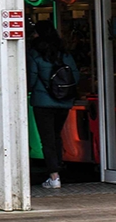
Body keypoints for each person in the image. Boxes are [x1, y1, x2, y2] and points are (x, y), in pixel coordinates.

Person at [29, 25, 79, 190]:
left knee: (47, 139)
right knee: (56, 136)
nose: (33, 35)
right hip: (63, 102)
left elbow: (31, 79)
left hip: (42, 103)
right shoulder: (65, 54)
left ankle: (54, 176)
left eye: (35, 32)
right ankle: (58, 169)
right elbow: (75, 76)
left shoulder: (35, 54)